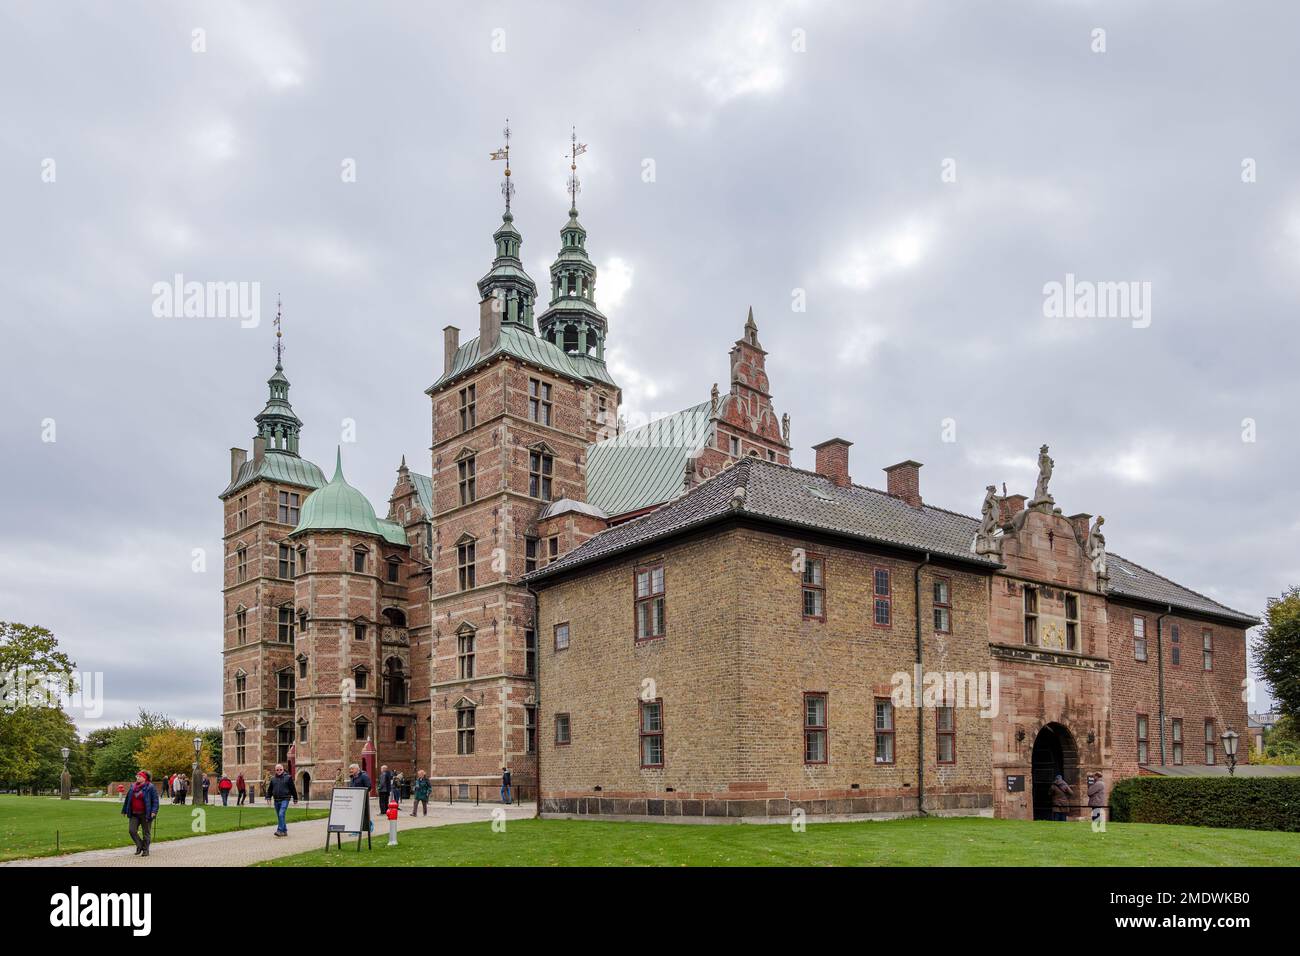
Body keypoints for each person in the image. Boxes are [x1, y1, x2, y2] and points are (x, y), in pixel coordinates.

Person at [121, 770, 159, 858]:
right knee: (132, 830)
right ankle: (140, 845)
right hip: (134, 813)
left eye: (139, 776)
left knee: (146, 832)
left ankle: (145, 850)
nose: (137, 778)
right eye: (137, 776)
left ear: (144, 778)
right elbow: (128, 799)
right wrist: (124, 810)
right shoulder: (133, 787)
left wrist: (154, 811)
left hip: (146, 813)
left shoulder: (150, 787)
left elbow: (155, 801)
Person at [265, 763, 298, 837]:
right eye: (277, 770)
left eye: (280, 769)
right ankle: (285, 830)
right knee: (280, 816)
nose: (279, 771)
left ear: (283, 770)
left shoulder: (288, 777)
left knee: (281, 814)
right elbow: (270, 789)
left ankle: (279, 830)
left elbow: (293, 789)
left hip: (285, 799)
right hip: (276, 800)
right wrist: (268, 797)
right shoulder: (273, 779)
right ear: (275, 770)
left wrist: (295, 798)